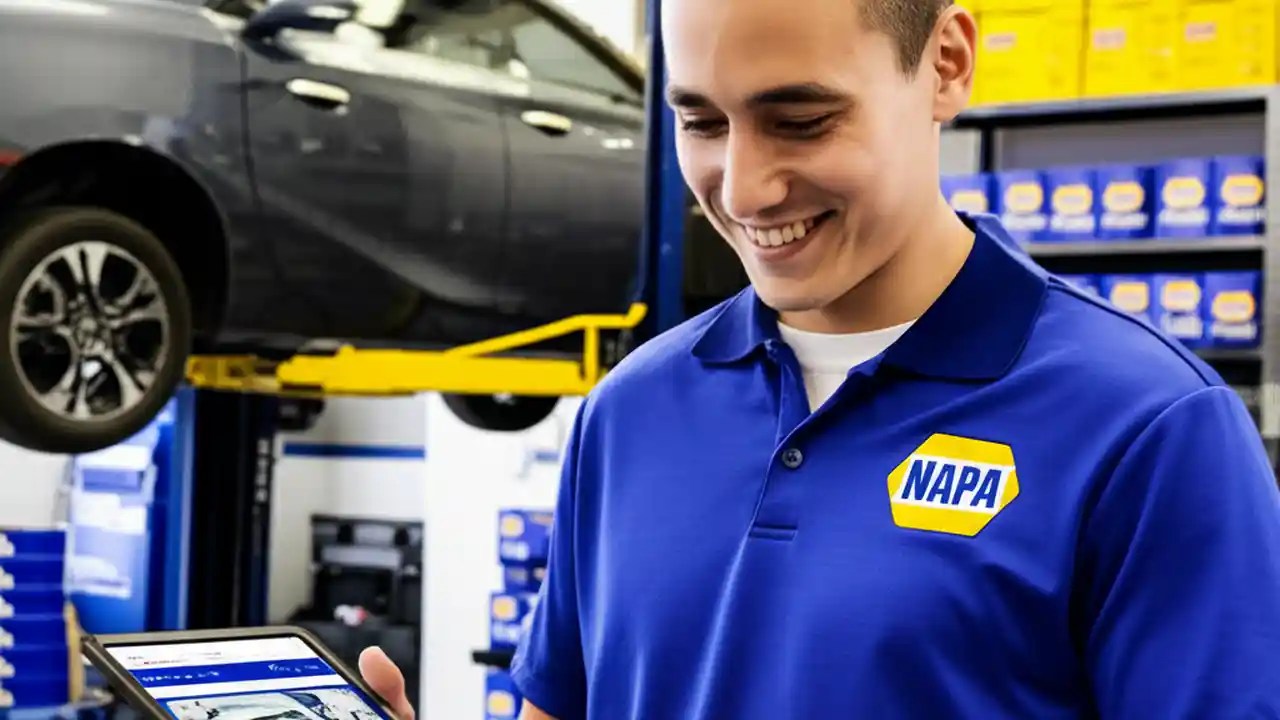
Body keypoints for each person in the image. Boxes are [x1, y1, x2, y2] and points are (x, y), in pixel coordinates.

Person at [361, 0, 1280, 716]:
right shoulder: (631, 410)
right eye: (703, 123)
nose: (745, 188)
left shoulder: (1150, 430)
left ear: (946, 65)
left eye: (799, 119)